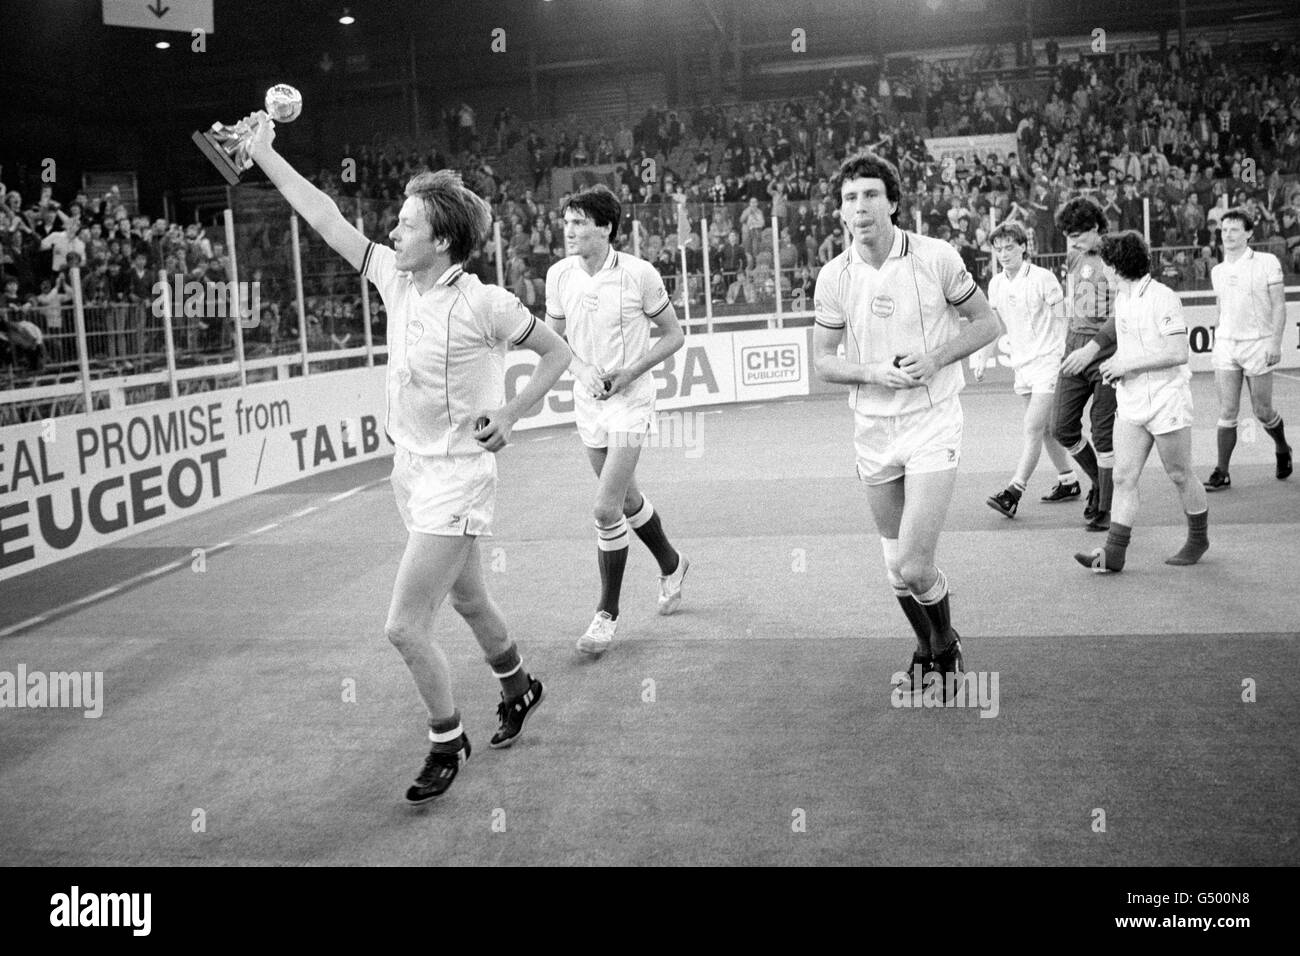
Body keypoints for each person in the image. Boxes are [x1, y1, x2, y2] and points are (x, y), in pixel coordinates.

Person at [245, 111, 572, 805]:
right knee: (470, 599)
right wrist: (265, 153)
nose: (392, 232)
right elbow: (326, 217)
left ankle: (446, 740)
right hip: (412, 473)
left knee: (402, 624)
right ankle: (520, 686)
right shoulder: (396, 278)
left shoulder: (486, 302)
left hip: (458, 476)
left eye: (406, 224)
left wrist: (513, 413)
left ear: (443, 239)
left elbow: (556, 353)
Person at [811, 152, 1000, 695]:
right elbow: (823, 359)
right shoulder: (834, 275)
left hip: (932, 422)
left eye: (871, 195)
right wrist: (871, 372)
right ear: (841, 212)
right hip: (871, 428)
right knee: (896, 568)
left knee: (917, 565)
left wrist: (937, 359)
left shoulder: (935, 256)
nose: (860, 206)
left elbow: (987, 322)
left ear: (893, 202)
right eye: (850, 198)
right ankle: (928, 645)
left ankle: (946, 643)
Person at [545, 185, 689, 656]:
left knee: (605, 509)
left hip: (631, 401)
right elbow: (556, 344)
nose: (569, 230)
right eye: (567, 222)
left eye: (580, 222)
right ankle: (672, 562)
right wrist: (583, 371)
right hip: (588, 401)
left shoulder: (638, 274)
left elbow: (673, 336)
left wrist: (629, 372)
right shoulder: (558, 276)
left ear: (606, 228)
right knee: (626, 499)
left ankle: (606, 615)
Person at [1075, 232, 1208, 572]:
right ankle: (1114, 553)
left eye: (1105, 263)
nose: (1102, 269)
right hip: (1132, 400)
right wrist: (1116, 367)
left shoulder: (1162, 297)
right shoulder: (1122, 298)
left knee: (1179, 474)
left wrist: (1127, 364)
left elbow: (1178, 352)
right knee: (1123, 476)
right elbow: (1133, 347)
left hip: (1167, 398)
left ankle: (1198, 538)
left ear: (1117, 265)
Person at [977, 221, 1078, 518]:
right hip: (1021, 365)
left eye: (1010, 247)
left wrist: (1065, 351)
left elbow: (1063, 316)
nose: (1004, 254)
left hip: (1049, 361)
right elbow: (993, 326)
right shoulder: (996, 284)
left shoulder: (1043, 278)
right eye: (999, 249)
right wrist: (983, 357)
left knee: (1032, 428)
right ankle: (1068, 480)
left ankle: (1013, 492)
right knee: (1046, 430)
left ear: (1023, 247)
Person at [1202, 208, 1291, 490]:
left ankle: (1282, 447)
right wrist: (1218, 338)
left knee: (1262, 411)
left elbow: (1278, 305)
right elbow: (1221, 308)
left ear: (1249, 233)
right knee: (1227, 410)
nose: (1227, 234)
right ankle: (1222, 471)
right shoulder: (1217, 270)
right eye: (1224, 230)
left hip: (1258, 343)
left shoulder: (1267, 262)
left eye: (1234, 229)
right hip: (1227, 345)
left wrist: (1274, 342)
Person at [1053, 197, 1118, 531]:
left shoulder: (1115, 257)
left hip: (1106, 352)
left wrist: (1092, 348)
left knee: (1103, 434)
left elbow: (1123, 313)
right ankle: (1099, 481)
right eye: (1069, 234)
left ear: (1096, 229)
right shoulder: (1074, 255)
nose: (1073, 240)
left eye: (1078, 234)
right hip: (1074, 348)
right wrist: (1069, 344)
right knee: (1061, 426)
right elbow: (1072, 302)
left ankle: (1106, 505)